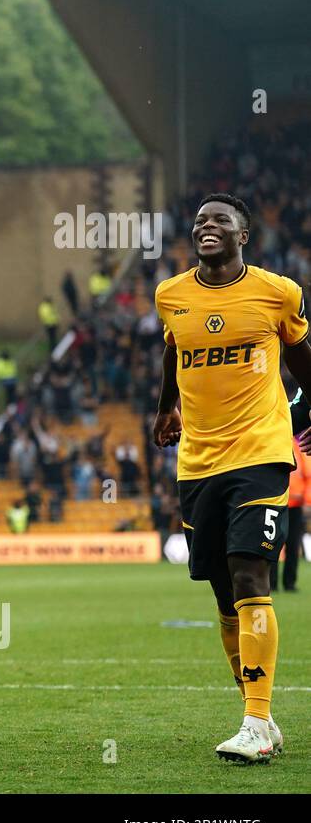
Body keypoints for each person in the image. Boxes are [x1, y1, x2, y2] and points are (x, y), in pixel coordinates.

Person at [153, 192, 311, 763]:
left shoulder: (276, 292)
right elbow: (173, 350)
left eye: (219, 220)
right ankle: (257, 713)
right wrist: (166, 406)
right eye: (199, 221)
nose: (206, 226)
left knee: (250, 577)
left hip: (261, 452)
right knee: (224, 592)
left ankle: (255, 720)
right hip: (198, 461)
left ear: (244, 234)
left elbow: (301, 354)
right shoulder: (170, 295)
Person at [278, 436, 308, 593]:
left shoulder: (297, 446)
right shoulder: (274, 442)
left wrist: (307, 501)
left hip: (295, 505)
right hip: (275, 502)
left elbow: (307, 474)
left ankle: (289, 583)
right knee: (270, 545)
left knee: (293, 544)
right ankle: (271, 583)